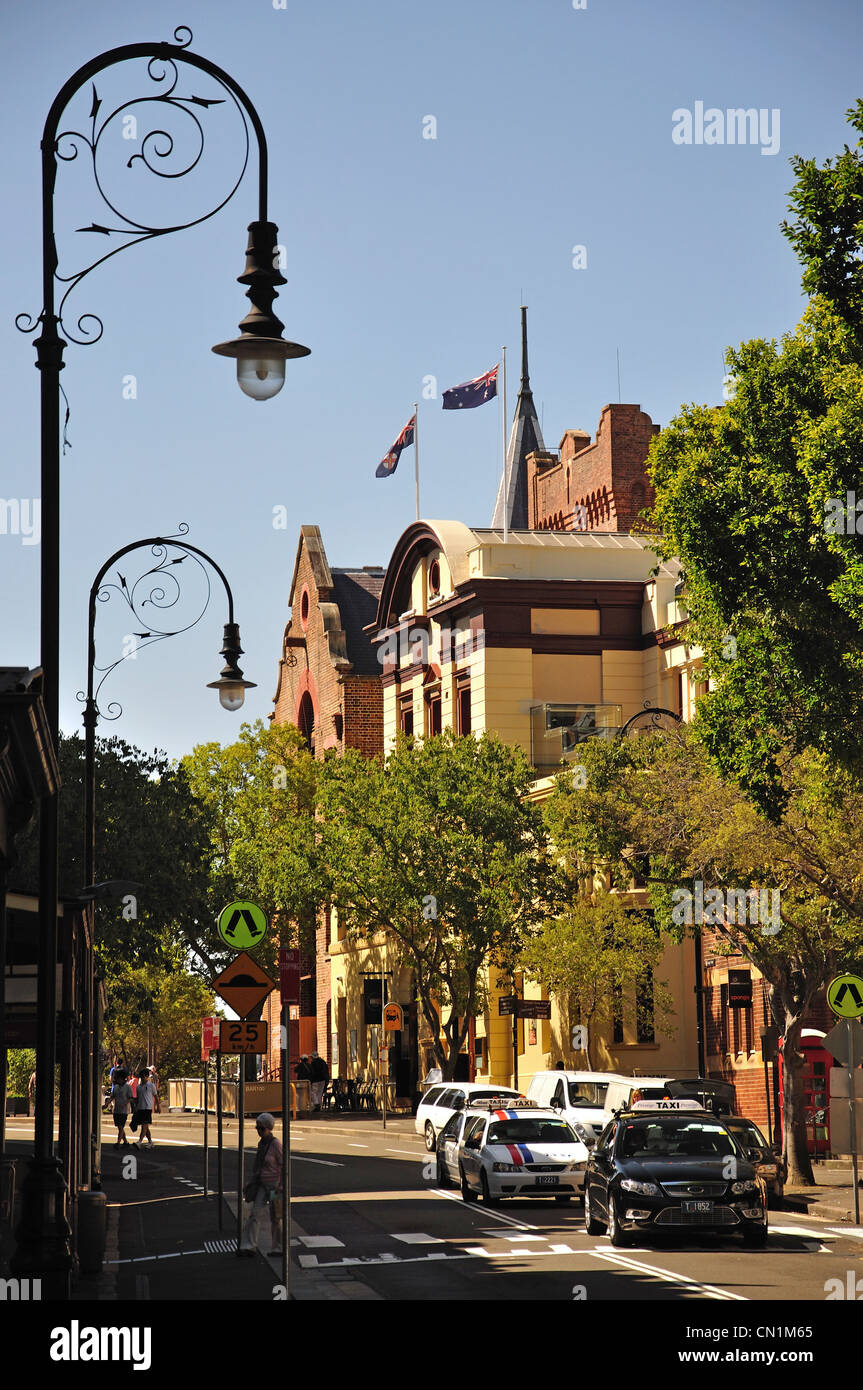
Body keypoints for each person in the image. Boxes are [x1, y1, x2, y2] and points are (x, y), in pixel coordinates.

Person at [239, 1113, 283, 1257]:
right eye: (257, 1128)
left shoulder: (275, 1144)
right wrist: (252, 1182)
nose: (259, 1131)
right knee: (254, 1214)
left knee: (276, 1217)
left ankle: (278, 1248)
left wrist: (282, 1184)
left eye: (261, 1128)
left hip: (275, 1185)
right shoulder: (261, 1144)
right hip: (262, 1184)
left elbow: (283, 1165)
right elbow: (258, 1166)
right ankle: (249, 1246)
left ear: (269, 1128)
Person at [103, 1069, 134, 1146]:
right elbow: (112, 1097)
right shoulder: (116, 1087)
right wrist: (107, 1104)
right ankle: (125, 1142)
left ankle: (118, 1142)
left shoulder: (127, 1087)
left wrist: (125, 1103)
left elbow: (130, 1098)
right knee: (119, 1127)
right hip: (116, 1110)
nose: (115, 1079)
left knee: (121, 1126)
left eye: (117, 1077)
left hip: (124, 1110)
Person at [133, 1067, 160, 1146]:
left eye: (143, 1077)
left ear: (147, 1077)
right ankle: (150, 1141)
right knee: (145, 1126)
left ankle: (139, 1141)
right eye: (141, 1077)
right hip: (141, 1108)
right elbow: (138, 1098)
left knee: (144, 1126)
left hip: (148, 1108)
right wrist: (136, 1108)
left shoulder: (151, 1085)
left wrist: (158, 1106)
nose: (142, 1078)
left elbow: (156, 1096)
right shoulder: (138, 1087)